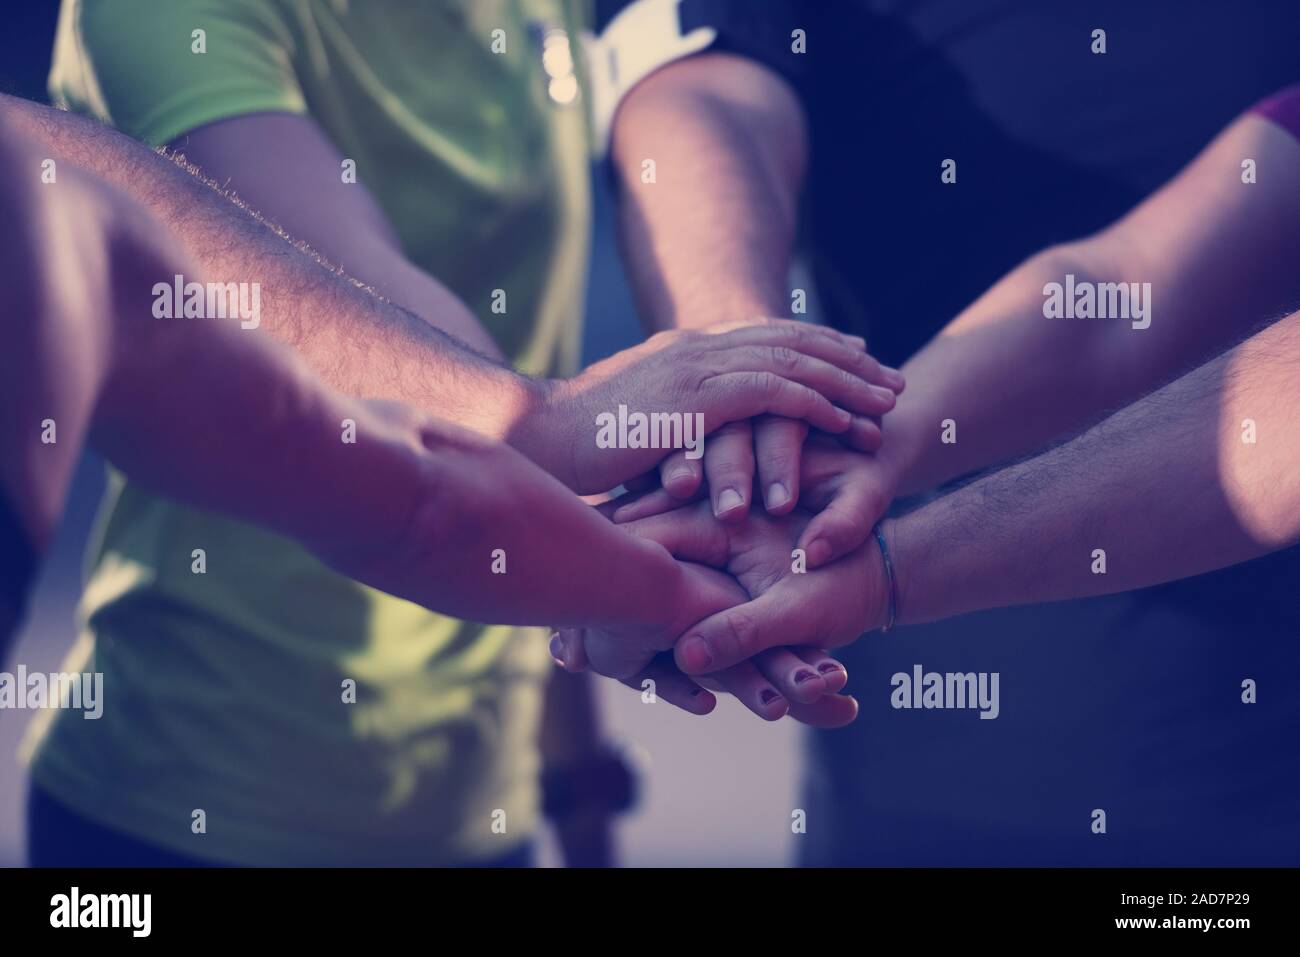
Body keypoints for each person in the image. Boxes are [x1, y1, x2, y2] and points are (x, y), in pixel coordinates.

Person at [19, 0, 902, 866]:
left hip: (484, 808)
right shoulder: (155, 14)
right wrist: (676, 568)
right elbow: (436, 441)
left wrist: (577, 773)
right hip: (185, 810)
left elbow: (528, 388)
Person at [565, 0, 1300, 864]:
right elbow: (1122, 296)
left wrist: (862, 537)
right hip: (918, 770)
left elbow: (1138, 305)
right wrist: (767, 399)